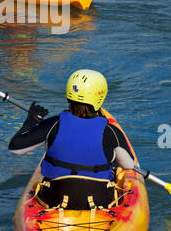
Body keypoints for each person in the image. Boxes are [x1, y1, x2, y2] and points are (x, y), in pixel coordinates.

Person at [8, 69, 136, 210]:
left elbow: (15, 148)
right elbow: (129, 165)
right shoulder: (111, 131)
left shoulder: (53, 124)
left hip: (53, 198)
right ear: (100, 95)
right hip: (100, 200)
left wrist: (32, 121)